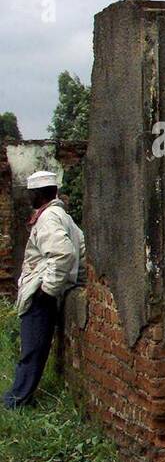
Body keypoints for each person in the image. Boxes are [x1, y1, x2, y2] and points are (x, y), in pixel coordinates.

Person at [4, 171, 85, 409]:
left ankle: (16, 401)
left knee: (31, 351)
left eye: (31, 194)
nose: (29, 198)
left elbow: (64, 253)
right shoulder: (63, 216)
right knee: (33, 349)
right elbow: (81, 248)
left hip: (41, 294)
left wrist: (47, 289)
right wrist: (75, 283)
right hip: (49, 291)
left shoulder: (48, 218)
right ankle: (18, 397)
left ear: (38, 194)